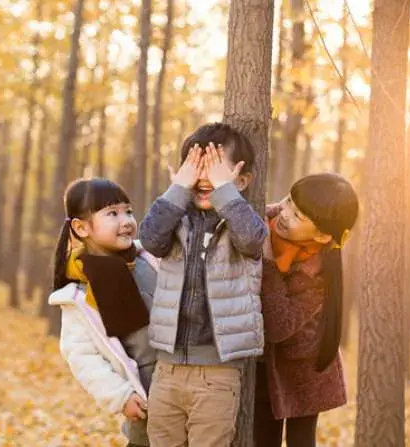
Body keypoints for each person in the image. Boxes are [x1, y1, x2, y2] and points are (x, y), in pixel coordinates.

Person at [139, 122, 268, 446]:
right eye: (197, 166)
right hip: (167, 369)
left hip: (217, 373)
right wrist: (178, 189)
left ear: (242, 179)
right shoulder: (175, 220)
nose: (205, 177)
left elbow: (253, 240)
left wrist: (225, 190)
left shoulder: (243, 222)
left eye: (216, 167)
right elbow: (151, 239)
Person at [49, 178, 158, 447]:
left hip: (181, 381)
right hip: (144, 394)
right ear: (81, 227)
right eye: (112, 214)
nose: (126, 221)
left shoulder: (149, 258)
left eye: (128, 211)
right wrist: (120, 396)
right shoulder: (80, 293)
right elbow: (82, 355)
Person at [254, 172, 359, 447]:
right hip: (266, 366)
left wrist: (268, 262)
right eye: (289, 201)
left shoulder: (320, 275)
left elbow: (278, 326)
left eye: (299, 215)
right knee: (263, 438)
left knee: (301, 441)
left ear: (324, 235)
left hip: (306, 369)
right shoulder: (268, 219)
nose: (286, 213)